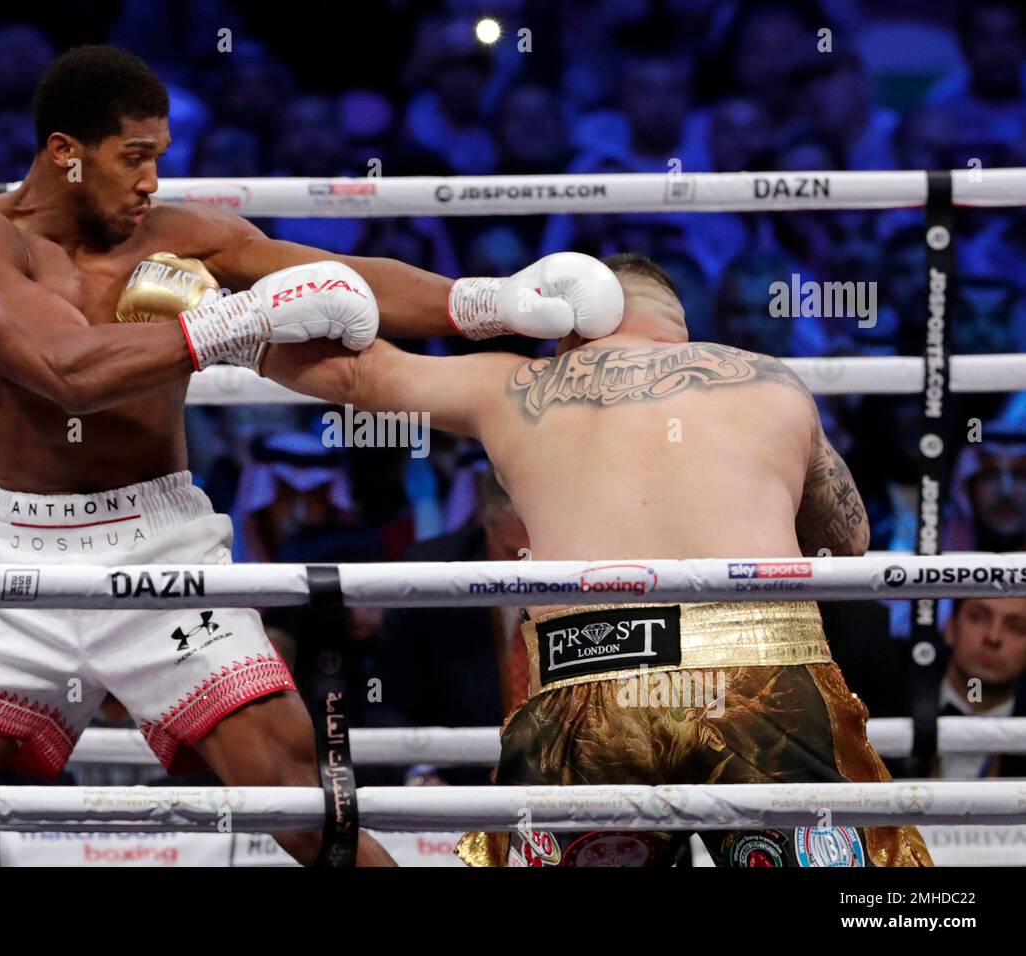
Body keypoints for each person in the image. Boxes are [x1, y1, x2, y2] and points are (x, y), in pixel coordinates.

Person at [0, 45, 619, 868]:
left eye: (159, 159)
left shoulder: (178, 236)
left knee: (308, 814)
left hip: (163, 554)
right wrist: (225, 326)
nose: (150, 182)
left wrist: (487, 302)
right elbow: (66, 374)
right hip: (25, 566)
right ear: (65, 151)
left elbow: (334, 276)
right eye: (133, 158)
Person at [264, 252, 932, 867]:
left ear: (564, 324)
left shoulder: (517, 387)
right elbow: (846, 543)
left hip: (589, 672)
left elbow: (353, 370)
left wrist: (218, 330)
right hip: (760, 674)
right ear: (679, 324)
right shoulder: (769, 380)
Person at [935, 598, 1026, 779]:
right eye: (978, 617)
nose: (993, 637)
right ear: (950, 626)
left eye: (1016, 628)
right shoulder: (883, 702)